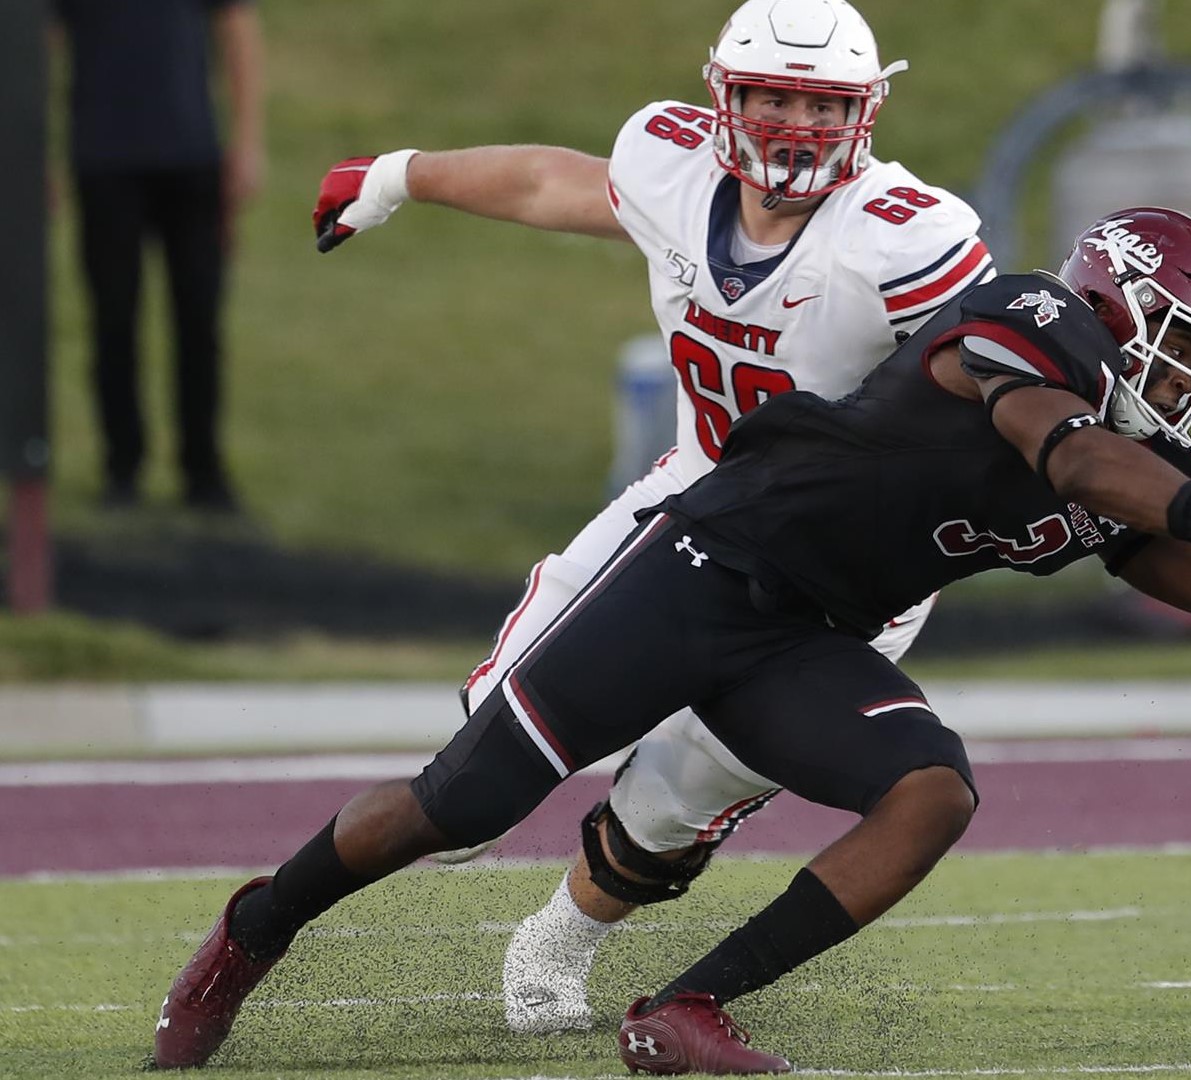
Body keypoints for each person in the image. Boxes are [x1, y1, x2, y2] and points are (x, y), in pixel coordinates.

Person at [151, 207, 1191, 1073]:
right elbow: (1073, 455)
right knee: (461, 805)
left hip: (807, 636)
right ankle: (258, 927)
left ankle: (683, 1009)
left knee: (931, 791)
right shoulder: (1035, 319)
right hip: (706, 572)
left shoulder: (1132, 460)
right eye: (1187, 345)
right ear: (1114, 302)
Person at [309, 0, 999, 1034]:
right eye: (773, 98)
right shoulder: (672, 166)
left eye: (821, 105)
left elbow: (1010, 376)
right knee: (473, 779)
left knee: (671, 802)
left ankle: (560, 939)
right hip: (691, 501)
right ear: (724, 94)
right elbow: (550, 183)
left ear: (864, 111)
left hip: (842, 574)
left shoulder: (904, 237)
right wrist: (402, 172)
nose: (796, 126)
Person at [52, 0, 264, 512]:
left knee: (199, 318)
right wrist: (37, 151)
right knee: (113, 318)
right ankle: (122, 469)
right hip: (103, 159)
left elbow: (237, 26)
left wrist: (247, 141)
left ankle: (203, 471)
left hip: (192, 155)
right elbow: (42, 46)